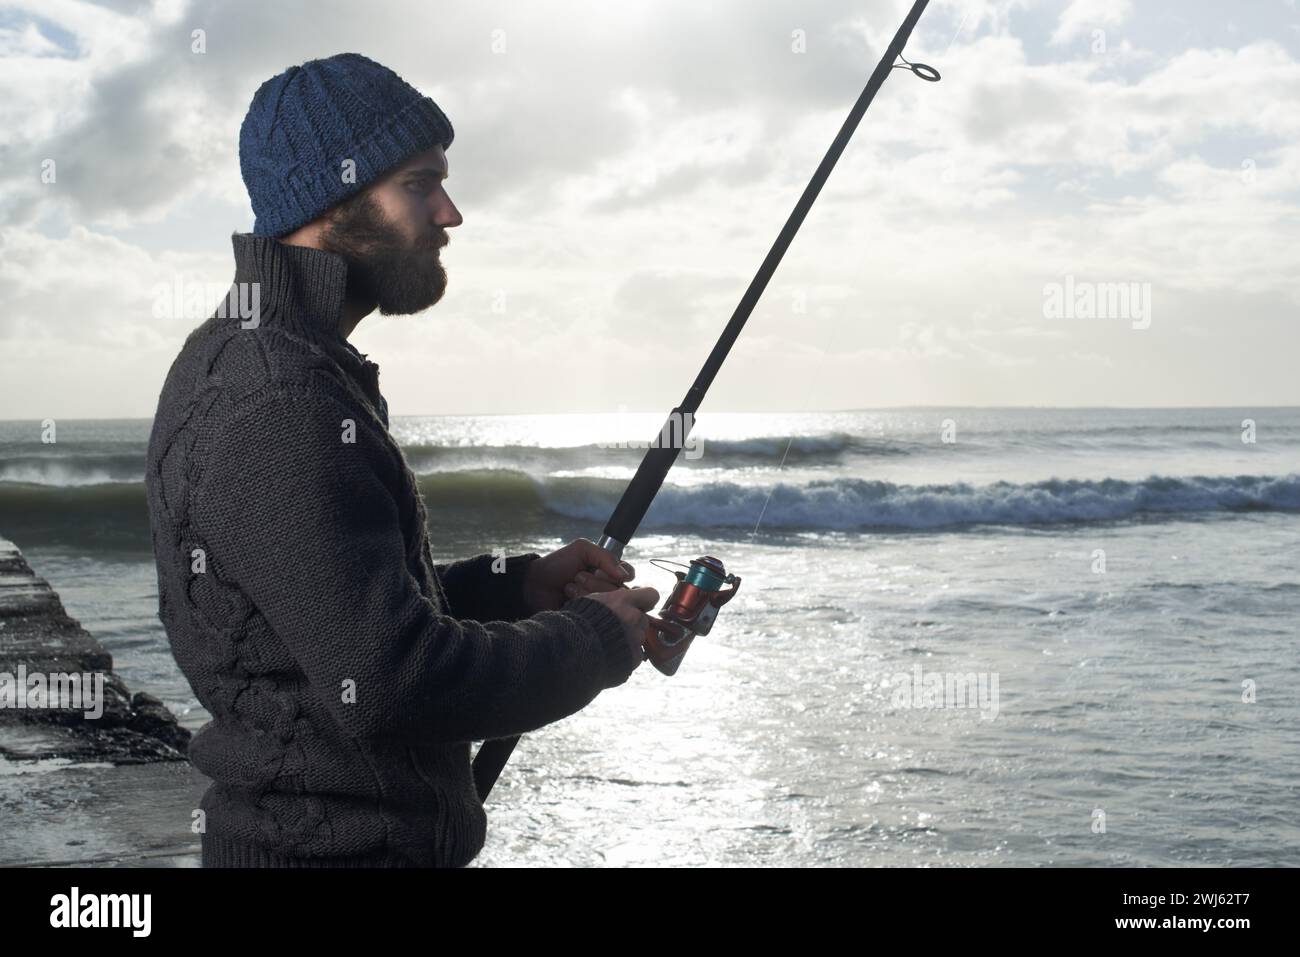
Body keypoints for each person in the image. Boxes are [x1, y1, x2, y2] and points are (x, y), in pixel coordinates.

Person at [143, 52, 659, 868]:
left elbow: (326, 624)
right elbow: (392, 677)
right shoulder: (278, 396)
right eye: (421, 183)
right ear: (334, 198)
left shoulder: (269, 357)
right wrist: (593, 641)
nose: (450, 212)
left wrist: (517, 587)